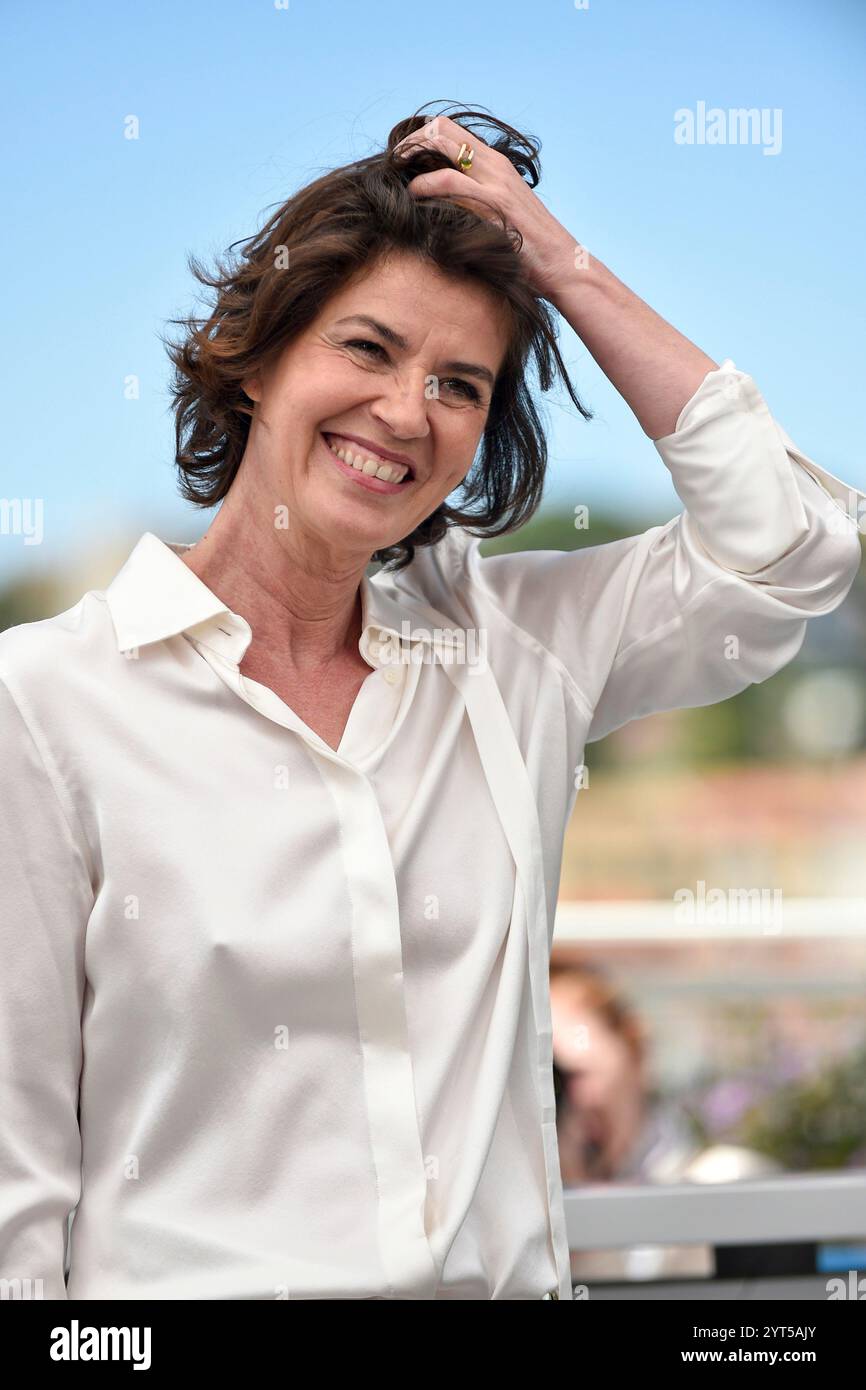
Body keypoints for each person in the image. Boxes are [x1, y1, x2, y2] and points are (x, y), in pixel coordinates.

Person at [0, 101, 863, 1302]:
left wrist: (561, 266)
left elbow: (793, 548)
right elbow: (15, 1177)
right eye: (365, 348)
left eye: (460, 382)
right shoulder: (43, 703)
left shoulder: (514, 651)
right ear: (254, 358)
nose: (408, 411)